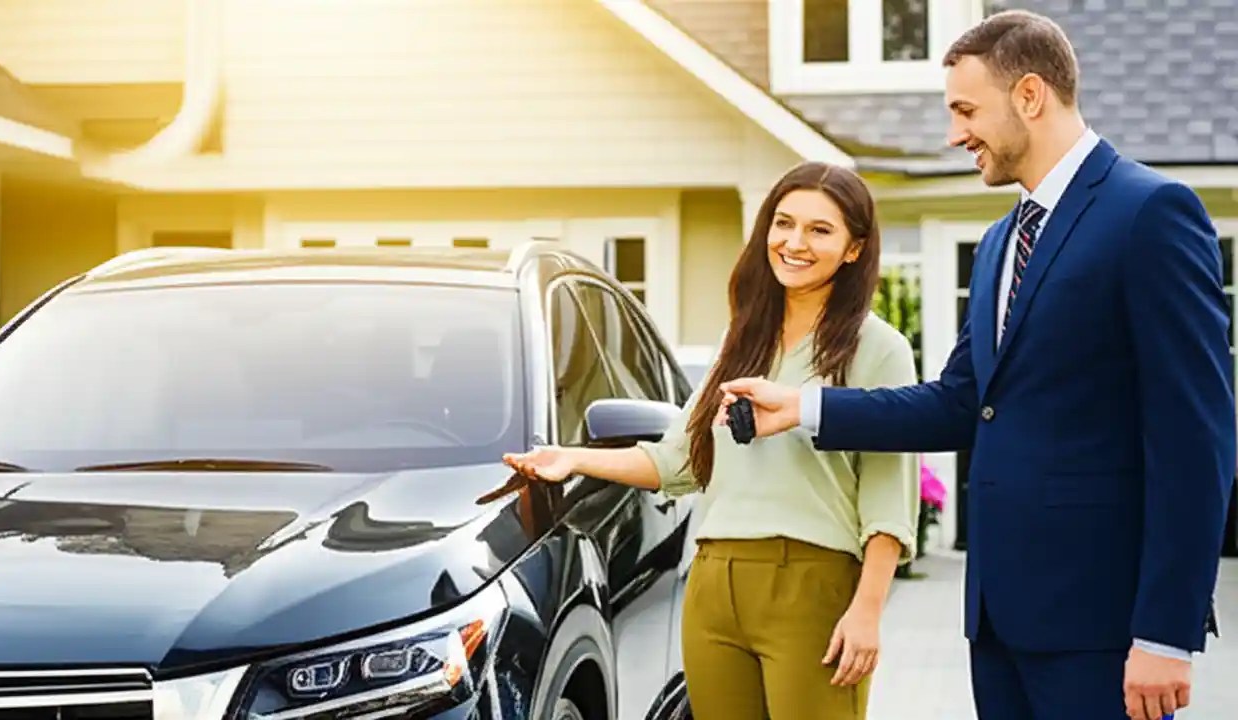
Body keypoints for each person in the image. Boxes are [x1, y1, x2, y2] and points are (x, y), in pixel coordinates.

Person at [716, 10, 1235, 720]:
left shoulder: (1150, 215)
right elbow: (962, 401)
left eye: (965, 110)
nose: (954, 134)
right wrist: (803, 408)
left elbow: (1196, 439)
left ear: (1029, 96)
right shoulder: (997, 244)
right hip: (997, 622)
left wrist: (1166, 632)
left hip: (1103, 630)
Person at [502, 161, 919, 720]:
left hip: (812, 584)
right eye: (783, 223)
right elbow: (678, 462)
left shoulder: (879, 349)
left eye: (820, 230)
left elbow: (888, 498)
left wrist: (867, 612)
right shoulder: (742, 339)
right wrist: (571, 459)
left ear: (853, 248)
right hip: (714, 583)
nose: (794, 243)